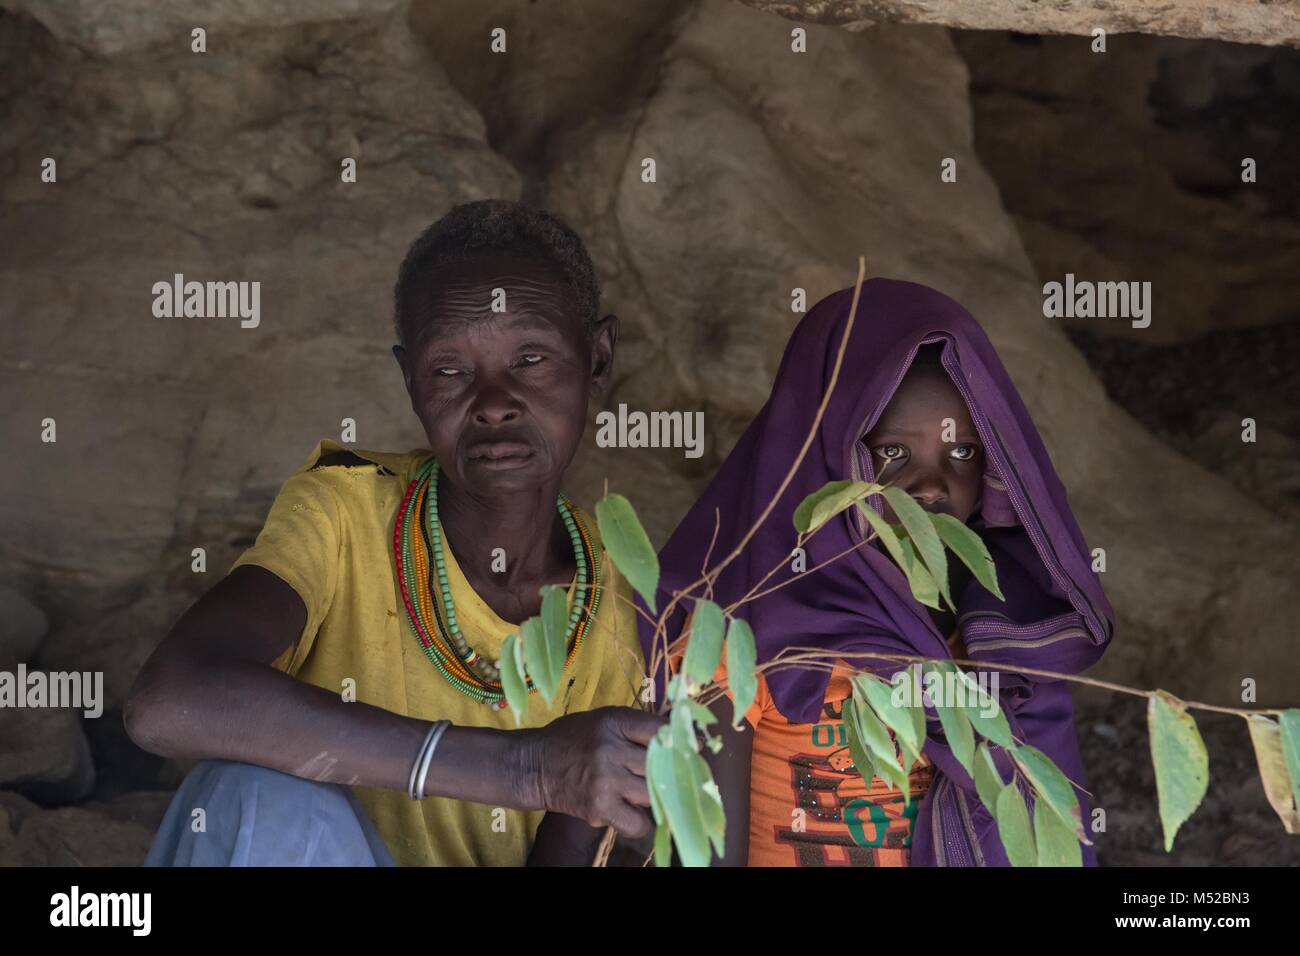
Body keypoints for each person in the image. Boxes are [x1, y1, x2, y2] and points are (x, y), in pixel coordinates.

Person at [126, 199, 659, 866]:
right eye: (449, 370)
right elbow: (167, 701)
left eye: (530, 358)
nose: (494, 403)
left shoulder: (622, 605)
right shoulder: (345, 513)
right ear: (411, 382)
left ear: (598, 359)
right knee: (259, 794)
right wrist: (523, 769)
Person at [640, 278, 1114, 866]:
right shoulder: (738, 628)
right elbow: (705, 853)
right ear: (819, 456)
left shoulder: (1007, 634)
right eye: (891, 452)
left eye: (962, 452)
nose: (931, 487)